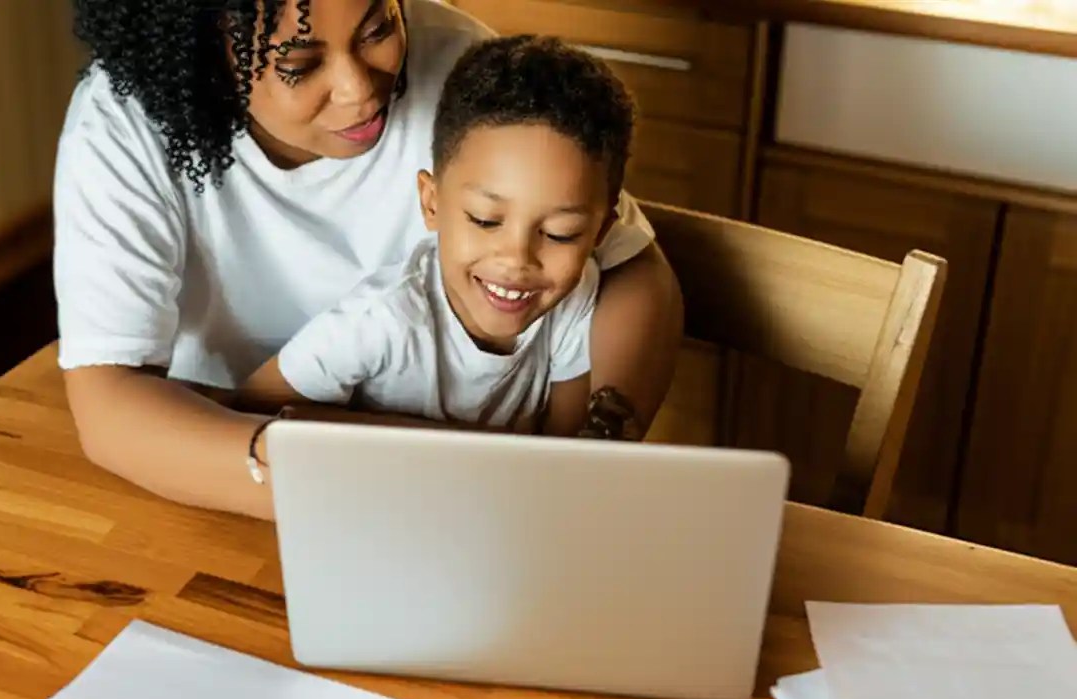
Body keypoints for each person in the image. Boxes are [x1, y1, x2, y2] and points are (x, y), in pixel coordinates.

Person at [55, 0, 683, 520]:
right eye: (301, 62)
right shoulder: (125, 126)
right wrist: (378, 481)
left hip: (477, 489)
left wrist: (588, 458)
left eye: (378, 28)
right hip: (231, 475)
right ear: (205, 56)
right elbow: (112, 403)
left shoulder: (459, 67)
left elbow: (631, 266)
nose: (360, 90)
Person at [242, 35, 635, 439]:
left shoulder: (576, 299)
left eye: (560, 234)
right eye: (484, 220)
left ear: (600, 232)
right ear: (432, 204)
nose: (517, 258)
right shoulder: (376, 324)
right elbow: (247, 414)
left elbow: (564, 453)